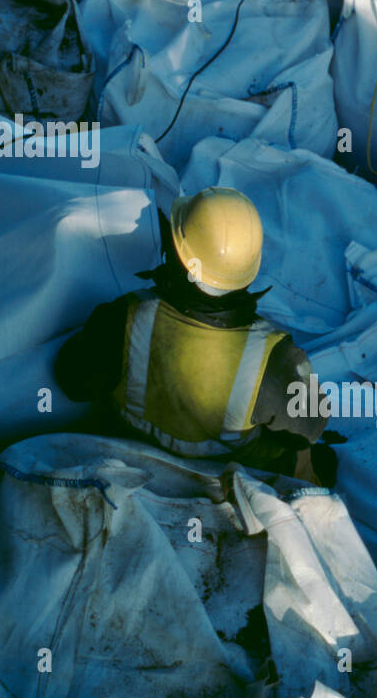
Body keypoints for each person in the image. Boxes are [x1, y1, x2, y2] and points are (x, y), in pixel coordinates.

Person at [54, 187, 334, 484]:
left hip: (135, 466)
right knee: (312, 460)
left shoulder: (124, 317)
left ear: (177, 254)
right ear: (249, 269)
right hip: (232, 483)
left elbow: (73, 381)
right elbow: (311, 428)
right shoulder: (275, 358)